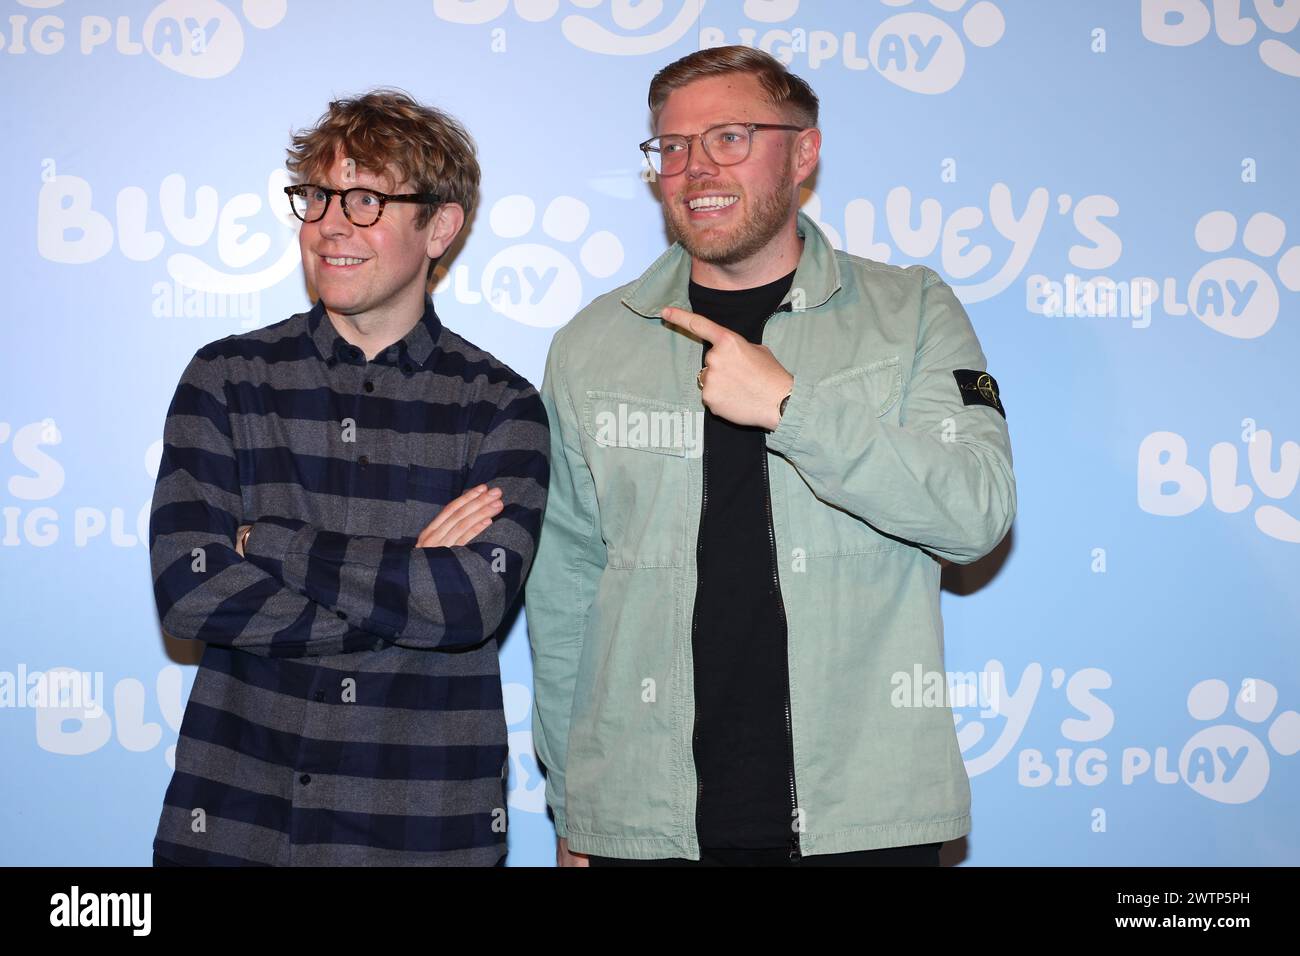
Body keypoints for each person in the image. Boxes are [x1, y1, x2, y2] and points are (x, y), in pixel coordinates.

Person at [526, 47, 1015, 866]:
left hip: (861, 817)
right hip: (645, 820)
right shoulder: (591, 347)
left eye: (729, 137)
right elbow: (567, 588)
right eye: (672, 147)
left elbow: (974, 512)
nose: (694, 167)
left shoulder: (912, 310)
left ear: (804, 151)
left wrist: (790, 409)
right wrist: (578, 799)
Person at [148, 89, 549, 866]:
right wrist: (408, 584)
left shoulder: (501, 406)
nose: (329, 224)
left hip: (424, 831)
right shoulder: (226, 378)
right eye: (317, 197)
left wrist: (270, 543)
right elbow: (191, 592)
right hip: (235, 823)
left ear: (440, 226)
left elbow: (470, 604)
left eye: (366, 200)